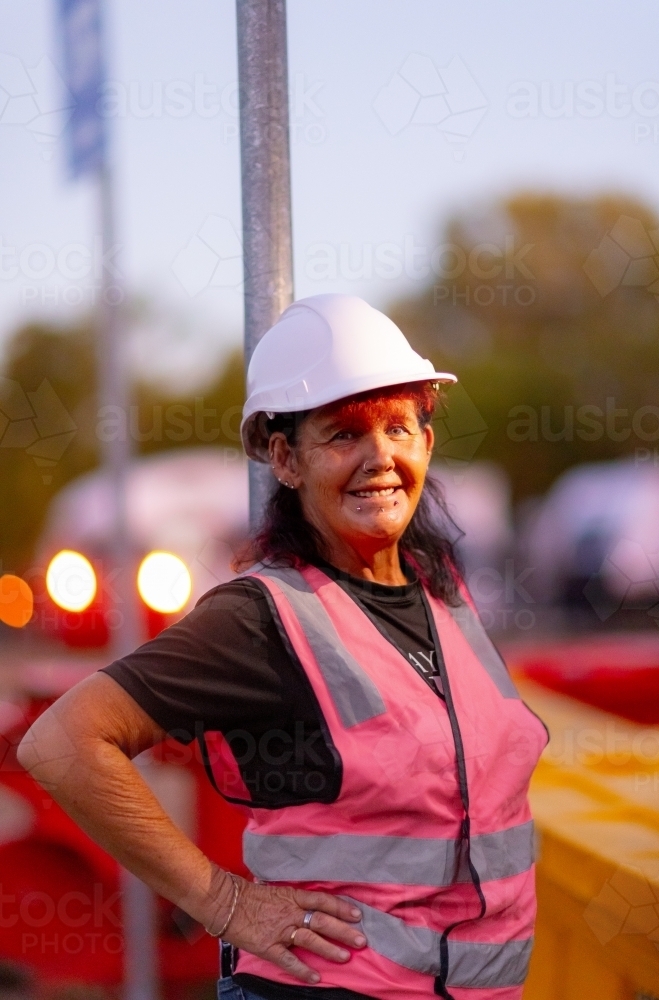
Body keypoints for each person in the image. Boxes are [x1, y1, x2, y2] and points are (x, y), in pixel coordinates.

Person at [19, 294, 548, 1000]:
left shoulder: (440, 591)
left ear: (426, 439)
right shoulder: (262, 617)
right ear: (284, 459)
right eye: (341, 435)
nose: (379, 457)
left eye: (398, 426)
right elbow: (59, 744)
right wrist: (225, 903)